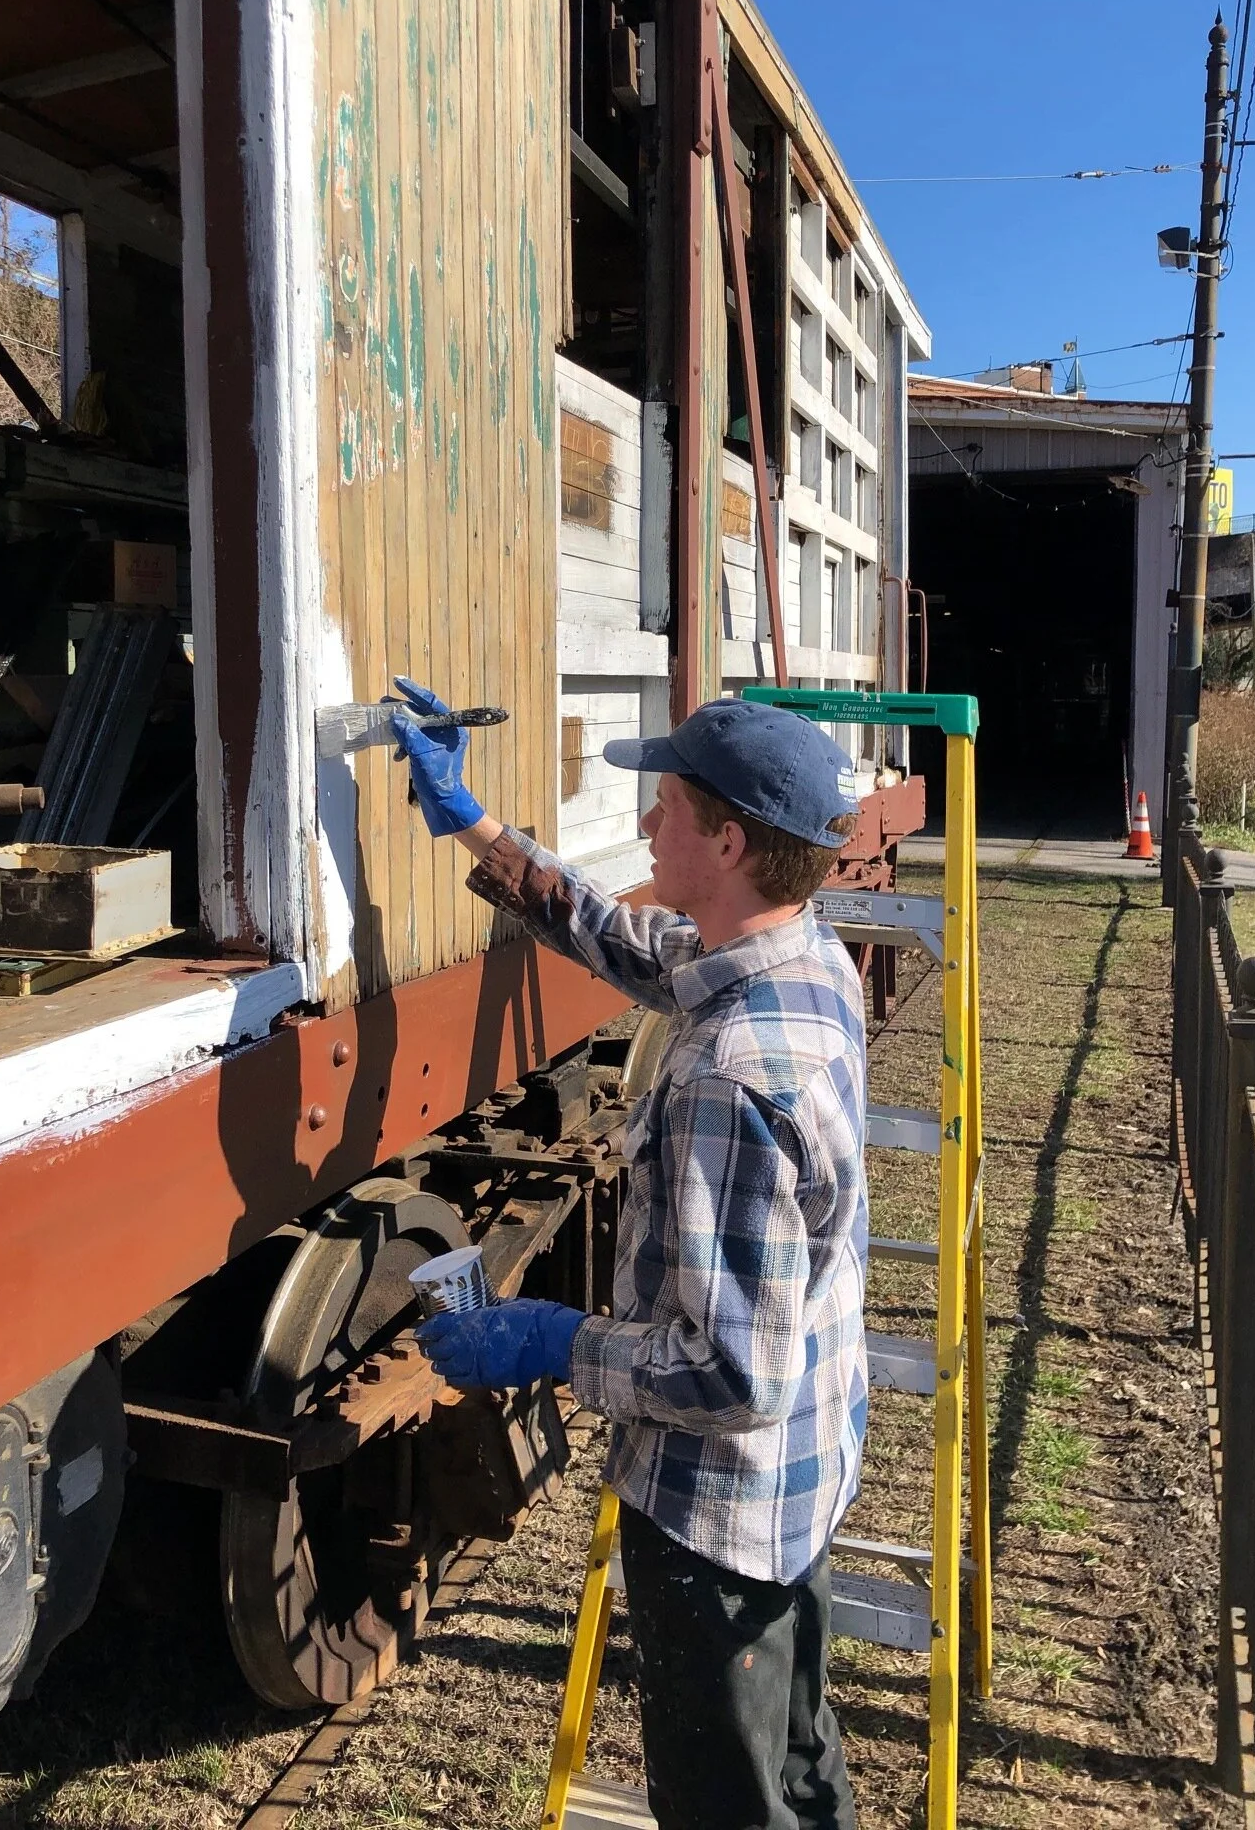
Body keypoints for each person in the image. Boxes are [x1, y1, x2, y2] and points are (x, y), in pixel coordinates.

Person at [391, 676, 869, 1830]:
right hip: (797, 1484)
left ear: (729, 841)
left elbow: (733, 1379)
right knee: (799, 1769)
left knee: (729, 1805)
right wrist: (477, 828)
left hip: (719, 1526)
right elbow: (633, 942)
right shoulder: (803, 962)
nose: (646, 824)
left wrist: (560, 1342)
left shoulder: (727, 1081)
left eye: (667, 808)